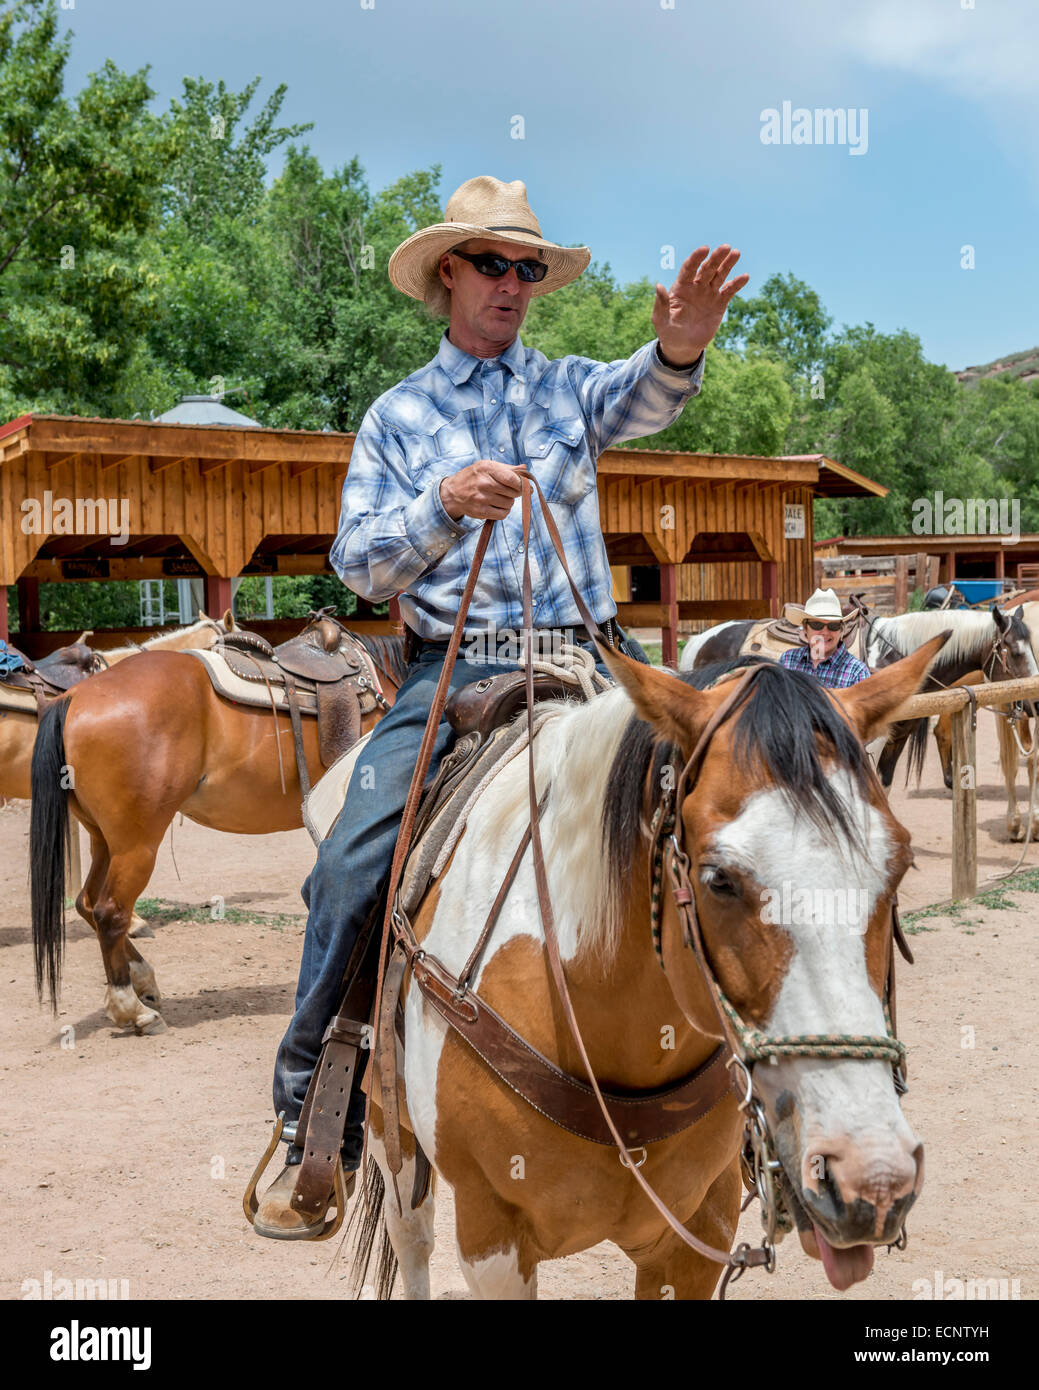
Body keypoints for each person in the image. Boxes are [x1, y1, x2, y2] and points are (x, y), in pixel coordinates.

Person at [251, 174, 749, 1237]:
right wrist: (440, 506)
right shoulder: (399, 416)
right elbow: (360, 569)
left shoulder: (569, 389)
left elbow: (646, 397)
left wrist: (679, 348)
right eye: (493, 264)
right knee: (350, 862)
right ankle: (316, 1109)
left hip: (592, 664)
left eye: (528, 268)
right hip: (452, 673)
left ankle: (763, 1109)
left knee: (749, 811)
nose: (514, 284)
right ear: (448, 276)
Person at [779, 587, 871, 688]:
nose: (825, 632)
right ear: (805, 628)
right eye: (817, 625)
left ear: (841, 630)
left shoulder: (857, 673)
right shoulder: (787, 660)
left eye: (833, 626)